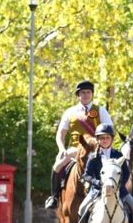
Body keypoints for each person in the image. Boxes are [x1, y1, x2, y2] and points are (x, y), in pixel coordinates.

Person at [45, 80, 113, 210]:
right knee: (57, 166)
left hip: (97, 149)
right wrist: (62, 149)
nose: (86, 95)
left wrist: (104, 147)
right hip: (76, 149)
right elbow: (61, 133)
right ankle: (54, 197)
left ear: (92, 94)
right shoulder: (70, 112)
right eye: (83, 92)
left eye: (88, 92)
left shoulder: (101, 111)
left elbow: (110, 132)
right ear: (78, 95)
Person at [70, 124, 133, 223]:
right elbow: (86, 175)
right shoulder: (93, 157)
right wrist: (98, 183)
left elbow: (126, 174)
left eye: (106, 137)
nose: (104, 140)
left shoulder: (118, 155)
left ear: (111, 139)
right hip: (97, 190)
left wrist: (117, 185)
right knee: (82, 208)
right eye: (101, 138)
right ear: (98, 140)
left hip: (118, 190)